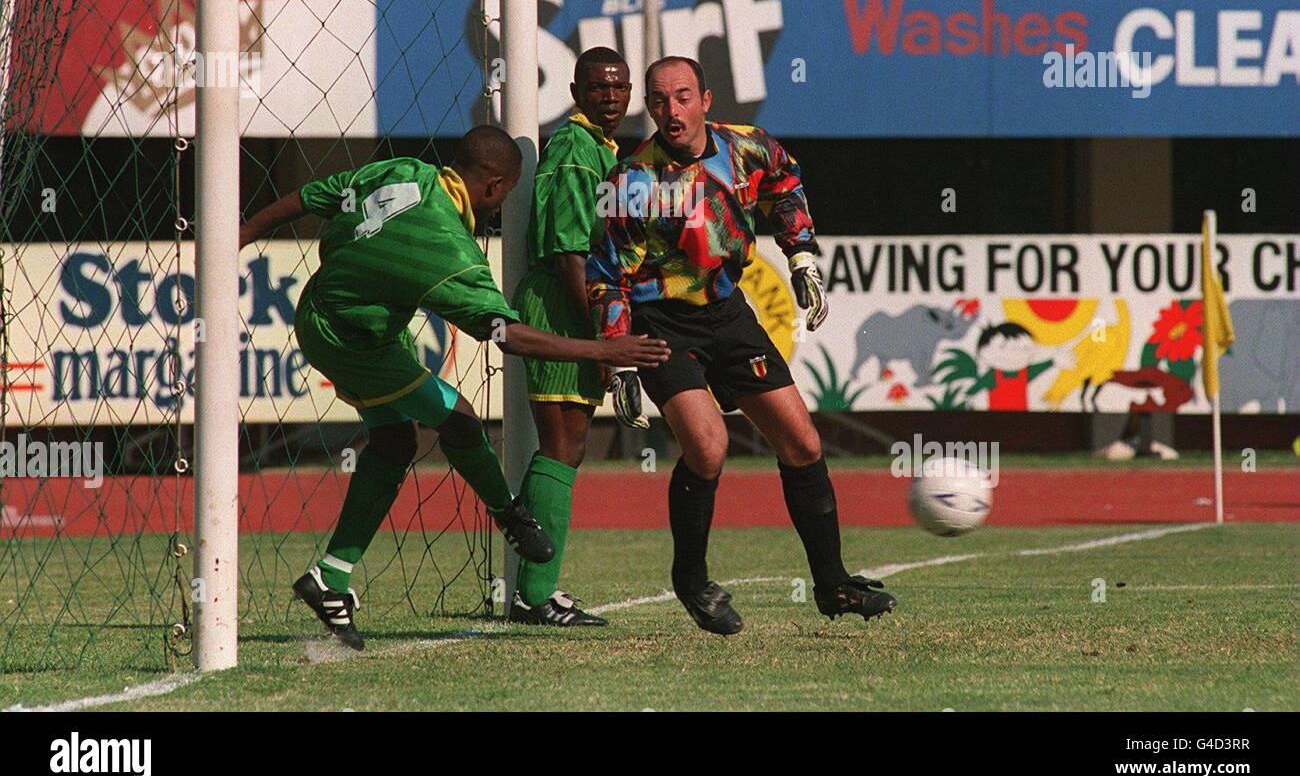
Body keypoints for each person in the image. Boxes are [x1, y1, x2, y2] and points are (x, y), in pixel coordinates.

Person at [237, 125, 669, 649]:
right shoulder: (451, 250)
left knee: (396, 443)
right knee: (460, 418)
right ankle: (509, 513)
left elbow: (304, 198)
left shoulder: (401, 171)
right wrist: (605, 350)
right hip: (350, 340)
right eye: (504, 196)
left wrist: (236, 238)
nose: (499, 207)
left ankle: (331, 577)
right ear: (493, 187)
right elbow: (507, 336)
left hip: (328, 314)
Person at [586, 56, 897, 636]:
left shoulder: (751, 147)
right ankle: (691, 579)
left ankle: (832, 585)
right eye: (658, 101)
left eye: (682, 97)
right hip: (661, 322)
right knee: (708, 446)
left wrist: (800, 252)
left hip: (728, 315)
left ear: (705, 99)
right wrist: (620, 355)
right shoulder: (629, 180)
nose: (671, 111)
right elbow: (607, 274)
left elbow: (786, 183)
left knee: (802, 442)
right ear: (648, 108)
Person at [508, 49, 632, 626]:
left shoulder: (602, 149)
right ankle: (533, 595)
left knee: (570, 444)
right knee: (561, 444)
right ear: (577, 90)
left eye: (618, 86)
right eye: (599, 87)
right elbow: (568, 255)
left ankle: (534, 590)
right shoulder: (574, 149)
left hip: (575, 305)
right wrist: (602, 340)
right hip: (563, 305)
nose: (611, 96)